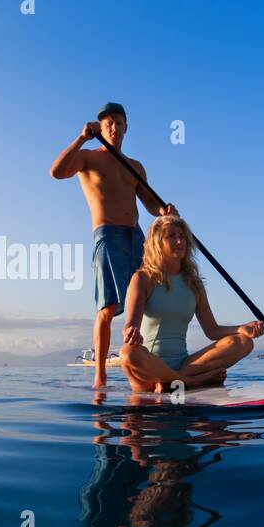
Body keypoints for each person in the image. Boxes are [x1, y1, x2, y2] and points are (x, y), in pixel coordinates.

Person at [50, 102, 176, 388]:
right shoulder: (88, 158)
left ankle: (151, 367)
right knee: (107, 308)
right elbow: (56, 172)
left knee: (149, 298)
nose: (114, 128)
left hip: (137, 237)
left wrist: (164, 211)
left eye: (119, 123)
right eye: (108, 123)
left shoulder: (135, 167)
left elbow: (150, 204)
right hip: (107, 236)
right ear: (100, 127)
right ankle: (100, 377)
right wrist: (81, 137)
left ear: (126, 128)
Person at [119, 214, 264, 393]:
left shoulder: (194, 283)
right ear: (157, 243)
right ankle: (189, 382)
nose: (179, 241)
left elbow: (212, 330)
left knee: (244, 342)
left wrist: (241, 328)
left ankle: (175, 379)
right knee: (128, 354)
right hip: (149, 368)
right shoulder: (142, 278)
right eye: (172, 236)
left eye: (182, 237)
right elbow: (130, 325)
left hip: (185, 364)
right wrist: (130, 332)